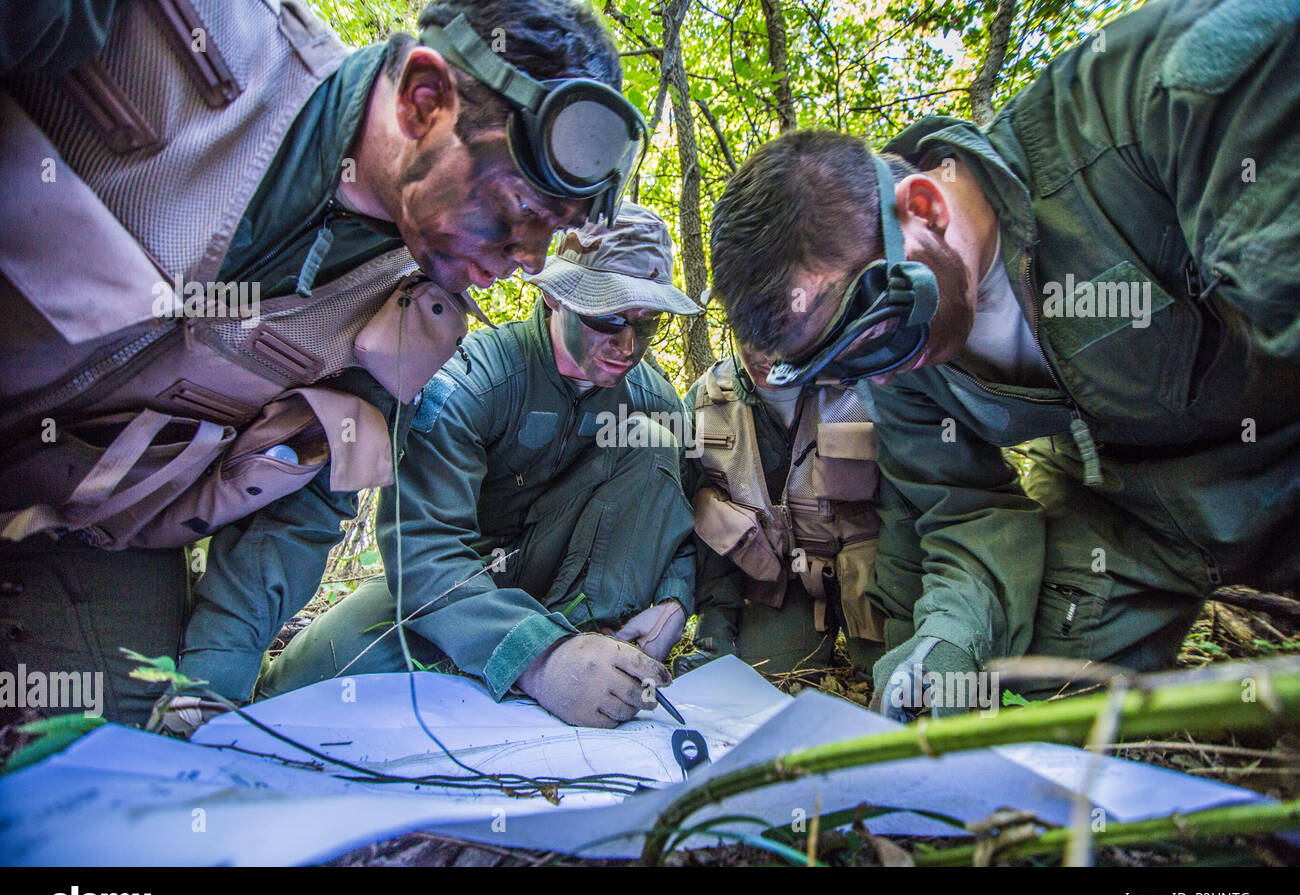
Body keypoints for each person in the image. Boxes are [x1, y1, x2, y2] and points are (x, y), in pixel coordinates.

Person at [0, 0, 642, 726]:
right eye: (517, 209)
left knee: (100, 778)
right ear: (422, 99)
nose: (528, 260)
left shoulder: (410, 319)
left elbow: (300, 508)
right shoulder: (179, 33)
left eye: (550, 234)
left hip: (82, 535)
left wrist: (209, 689)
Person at [707, 0, 1300, 720]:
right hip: (1136, 515)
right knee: (1010, 701)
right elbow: (965, 511)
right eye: (842, 368)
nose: (884, 377)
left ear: (921, 207)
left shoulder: (1161, 97)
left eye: (876, 335)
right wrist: (949, 644)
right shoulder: (894, 363)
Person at [259, 203, 700, 729]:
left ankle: (596, 653)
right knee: (292, 693)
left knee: (651, 442)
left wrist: (675, 599)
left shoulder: (655, 403)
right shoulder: (474, 378)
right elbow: (425, 546)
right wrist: (539, 657)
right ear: (553, 295)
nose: (627, 346)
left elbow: (680, 518)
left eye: (646, 323)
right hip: (461, 590)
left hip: (579, 587)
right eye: (606, 317)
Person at [677, 339, 885, 678]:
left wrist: (912, 622)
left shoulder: (871, 384)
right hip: (784, 584)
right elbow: (708, 534)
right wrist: (715, 632)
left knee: (897, 683)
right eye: (752, 332)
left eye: (784, 331)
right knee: (771, 679)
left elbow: (912, 517)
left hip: (873, 582)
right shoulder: (705, 403)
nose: (768, 352)